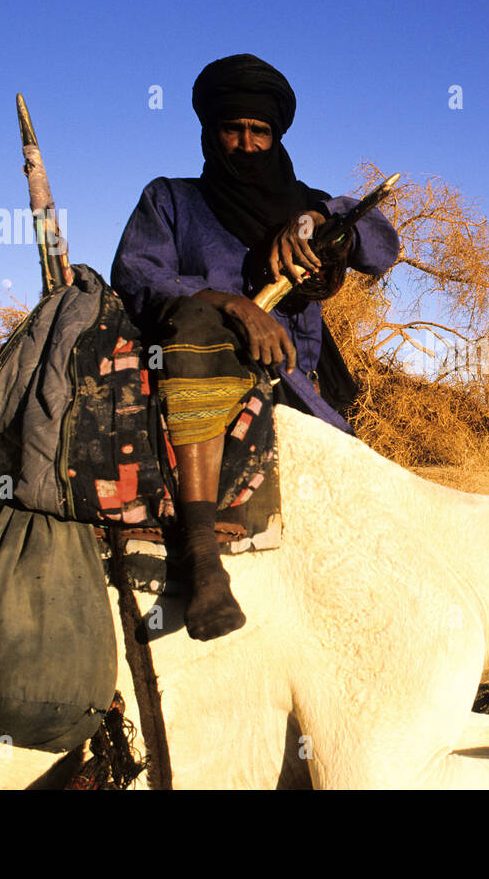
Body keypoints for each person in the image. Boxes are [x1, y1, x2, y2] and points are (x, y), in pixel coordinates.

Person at [111, 54, 399, 641]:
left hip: (295, 380)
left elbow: (382, 249)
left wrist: (319, 217)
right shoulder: (169, 199)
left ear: (276, 135)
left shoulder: (307, 204)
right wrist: (230, 304)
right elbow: (138, 274)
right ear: (210, 133)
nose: (245, 144)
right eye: (232, 129)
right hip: (201, 363)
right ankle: (200, 557)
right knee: (195, 325)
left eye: (259, 130)